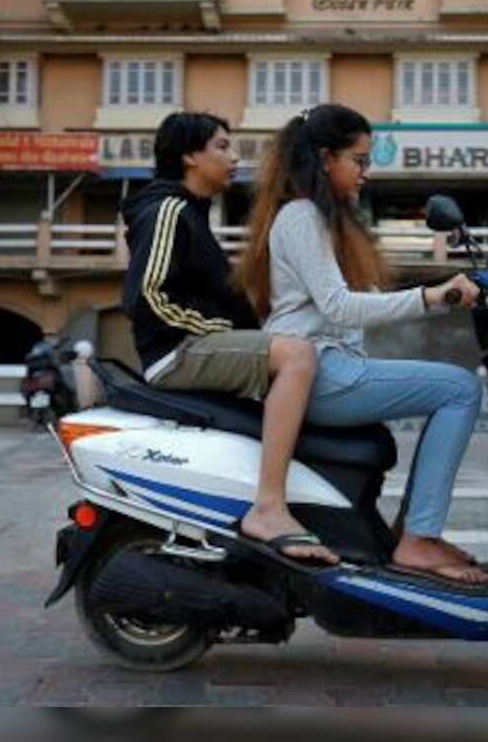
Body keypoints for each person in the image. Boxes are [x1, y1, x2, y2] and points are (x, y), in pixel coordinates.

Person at [234, 104, 488, 585]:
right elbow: (339, 307)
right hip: (320, 372)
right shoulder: (302, 216)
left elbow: (362, 303)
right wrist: (432, 296)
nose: (365, 173)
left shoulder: (321, 220)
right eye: (359, 160)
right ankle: (419, 538)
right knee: (460, 389)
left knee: (452, 387)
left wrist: (441, 298)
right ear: (325, 158)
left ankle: (413, 533)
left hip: (329, 366)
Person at [121, 112, 339, 565]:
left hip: (195, 346)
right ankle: (269, 508)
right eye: (222, 146)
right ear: (189, 157)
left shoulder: (194, 213)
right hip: (176, 352)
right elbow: (148, 296)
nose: (235, 157)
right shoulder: (168, 210)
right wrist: (227, 332)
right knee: (297, 356)